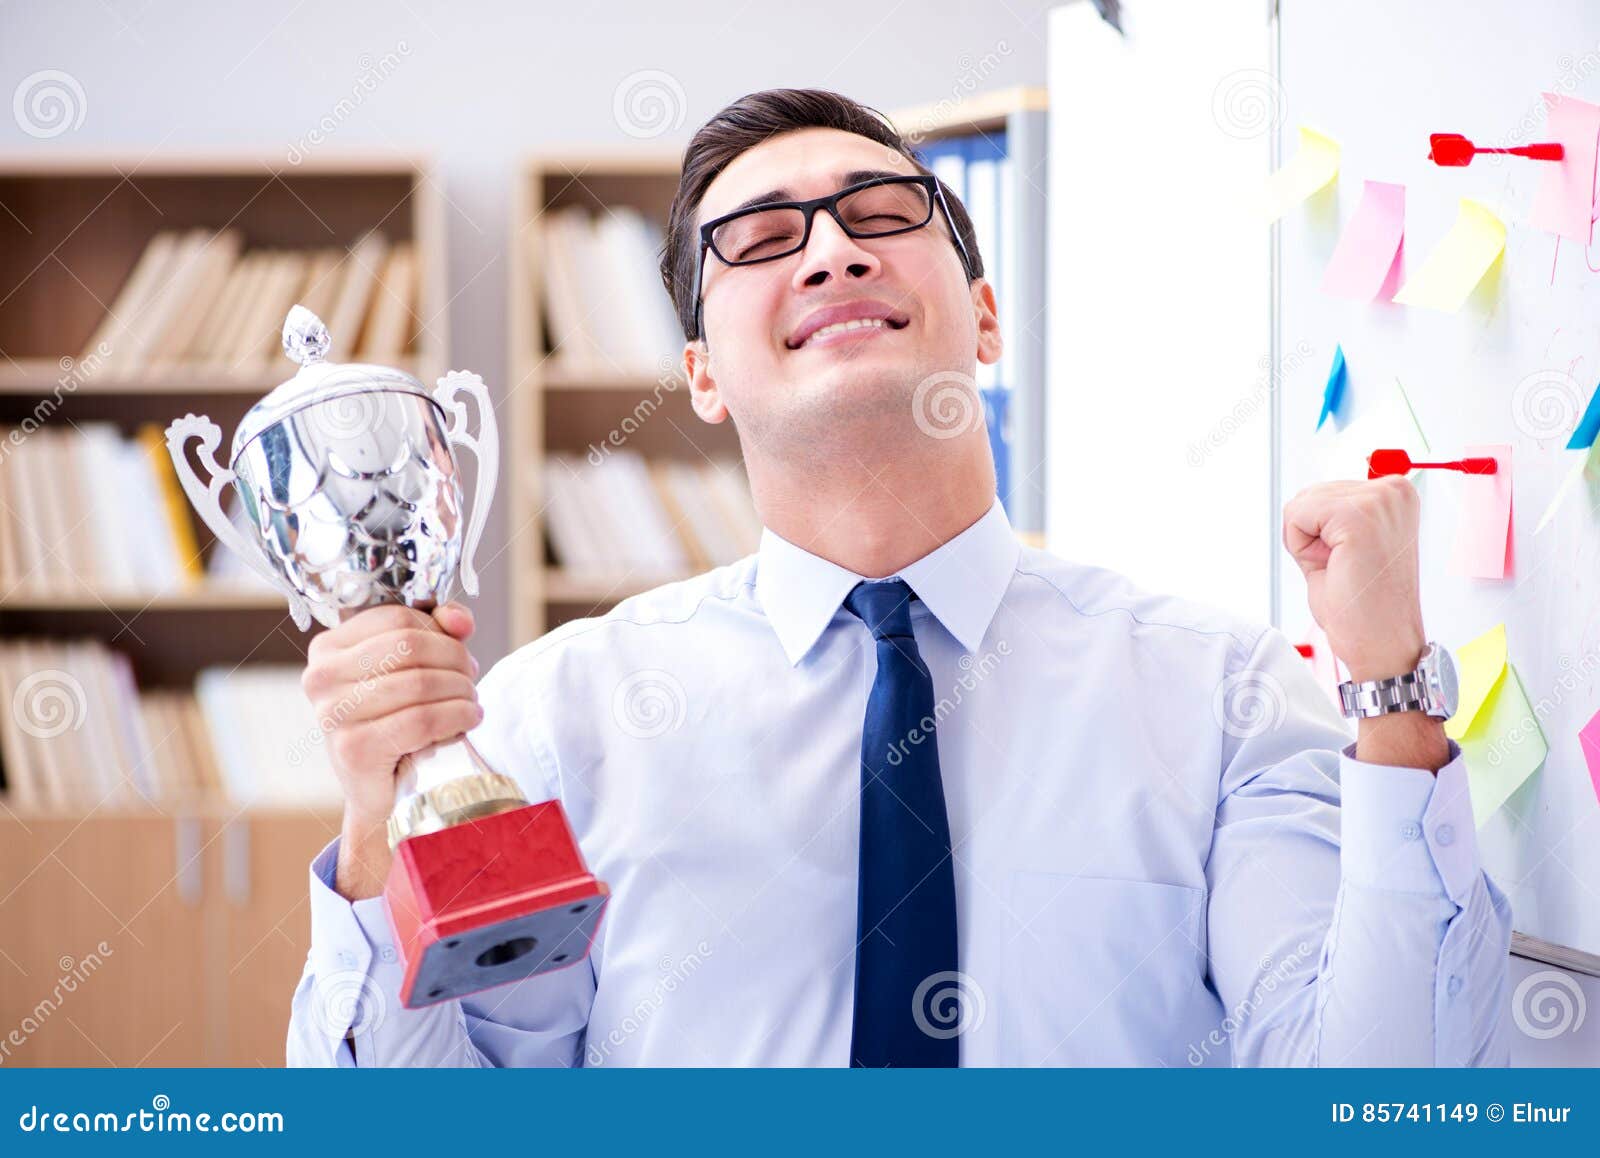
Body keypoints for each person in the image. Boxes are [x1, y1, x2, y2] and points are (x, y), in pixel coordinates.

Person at [286, 88, 1509, 1067]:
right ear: (703, 373)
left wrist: (1390, 690)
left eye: (880, 213)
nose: (828, 250)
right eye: (760, 238)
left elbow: (1373, 1091)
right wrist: (371, 838)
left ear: (981, 318)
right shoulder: (553, 720)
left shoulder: (1222, 689)